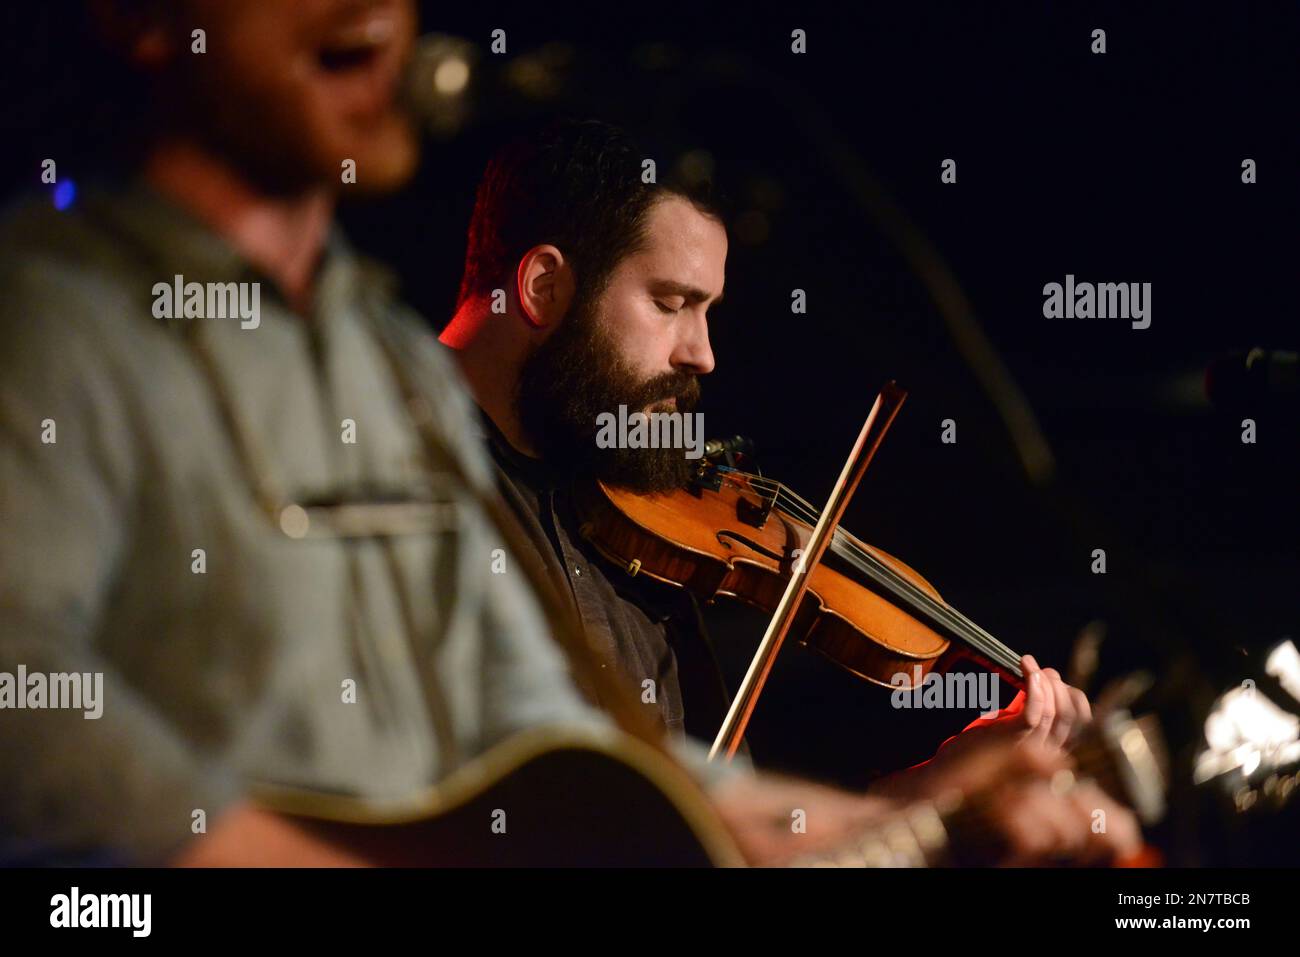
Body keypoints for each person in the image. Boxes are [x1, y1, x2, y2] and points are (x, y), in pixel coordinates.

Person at [0, 0, 1135, 866]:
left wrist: (910, 811)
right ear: (140, 21)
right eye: (673, 305)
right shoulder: (49, 313)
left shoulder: (384, 363)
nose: (380, 13)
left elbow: (562, 748)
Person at [439, 119, 1096, 768]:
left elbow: (723, 838)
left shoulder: (638, 535)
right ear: (543, 287)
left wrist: (952, 788)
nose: (702, 354)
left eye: (708, 311)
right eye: (671, 303)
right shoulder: (394, 486)